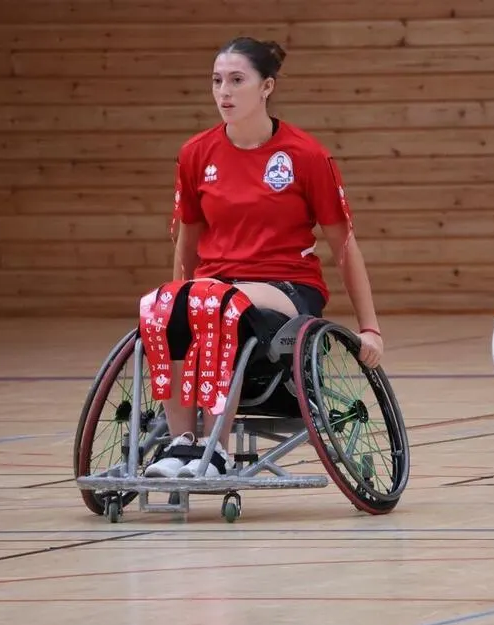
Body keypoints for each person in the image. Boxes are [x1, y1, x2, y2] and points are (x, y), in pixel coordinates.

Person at [144, 36, 384, 479]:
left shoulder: (306, 156)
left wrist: (369, 327)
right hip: (214, 285)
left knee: (216, 303)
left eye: (237, 80)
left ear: (266, 87)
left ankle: (215, 449)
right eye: (217, 81)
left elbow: (345, 245)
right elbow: (187, 240)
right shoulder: (196, 154)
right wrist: (177, 296)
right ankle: (181, 444)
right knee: (164, 305)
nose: (224, 92)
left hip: (288, 288)